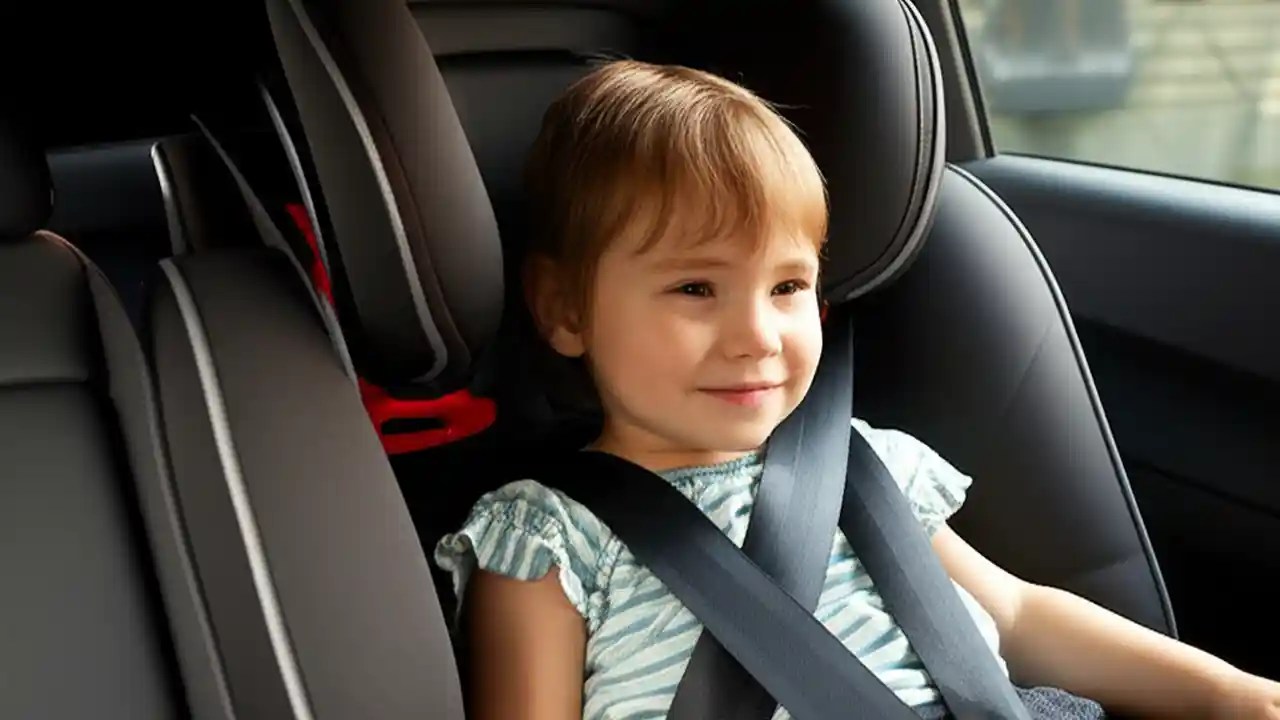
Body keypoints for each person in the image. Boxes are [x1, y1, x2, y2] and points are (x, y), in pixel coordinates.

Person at [433, 59, 1280, 720]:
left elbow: (1017, 619)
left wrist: (1230, 694)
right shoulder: (549, 539)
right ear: (565, 309)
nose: (758, 335)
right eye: (695, 288)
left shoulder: (864, 465)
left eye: (787, 287)